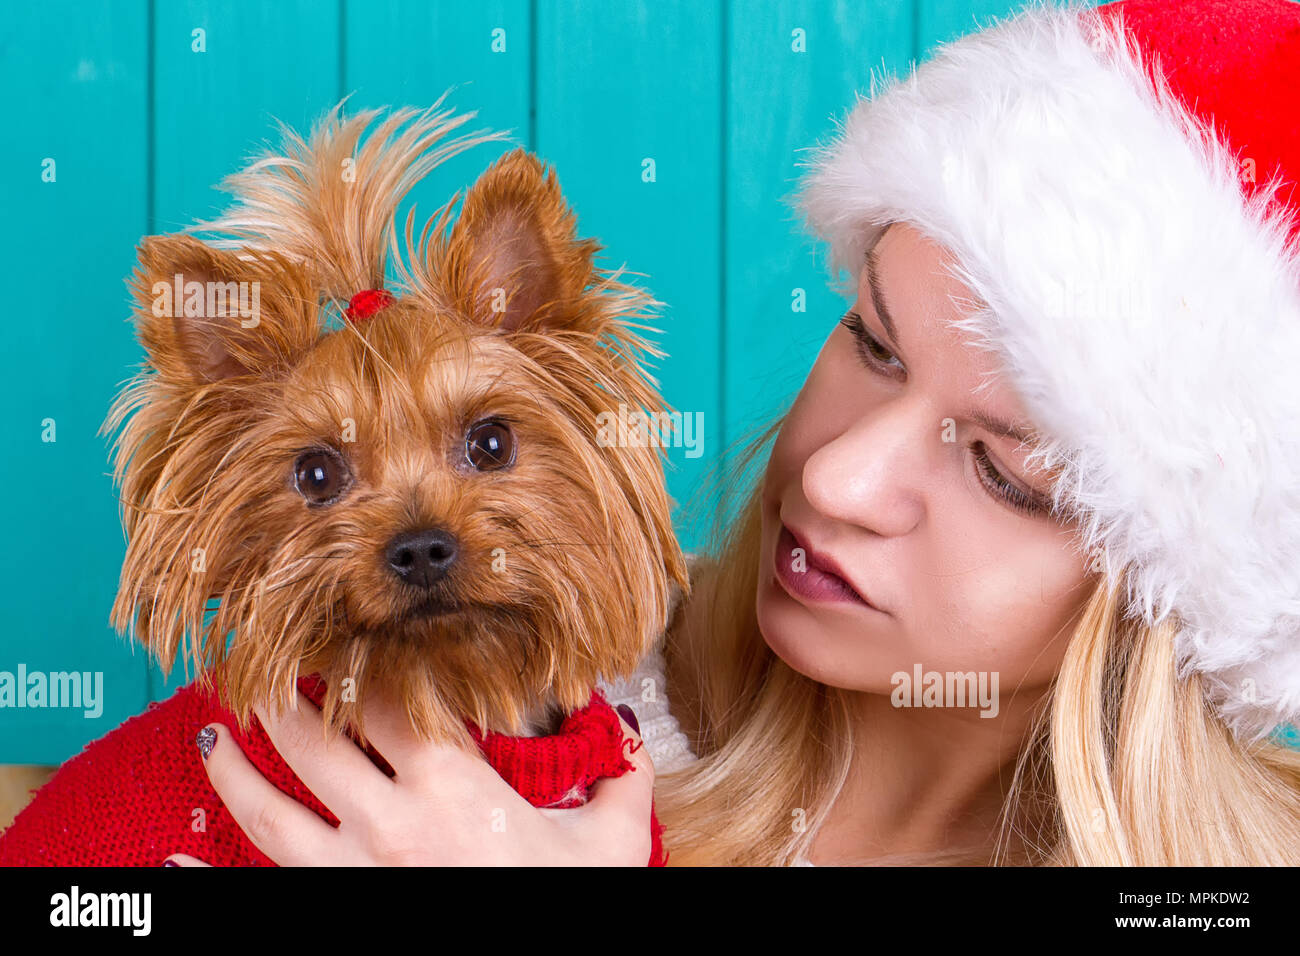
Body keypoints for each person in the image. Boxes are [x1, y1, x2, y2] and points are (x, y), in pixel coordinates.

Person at [166, 0, 1300, 866]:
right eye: (871, 343)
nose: (841, 473)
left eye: (1004, 473)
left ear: (1171, 594)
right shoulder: (532, 699)